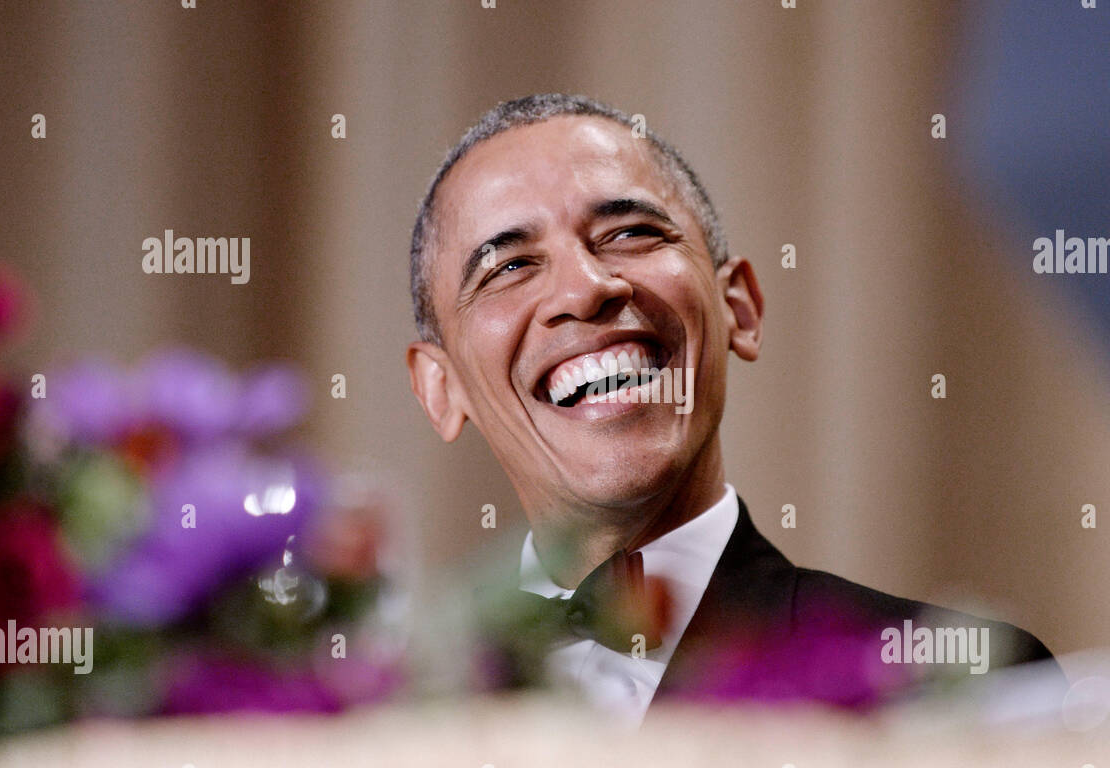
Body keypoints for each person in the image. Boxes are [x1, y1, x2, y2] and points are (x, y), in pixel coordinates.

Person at [406, 94, 1058, 727]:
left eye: (630, 232)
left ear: (738, 310)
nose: (584, 288)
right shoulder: (376, 712)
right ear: (440, 388)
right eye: (510, 265)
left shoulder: (944, 680)